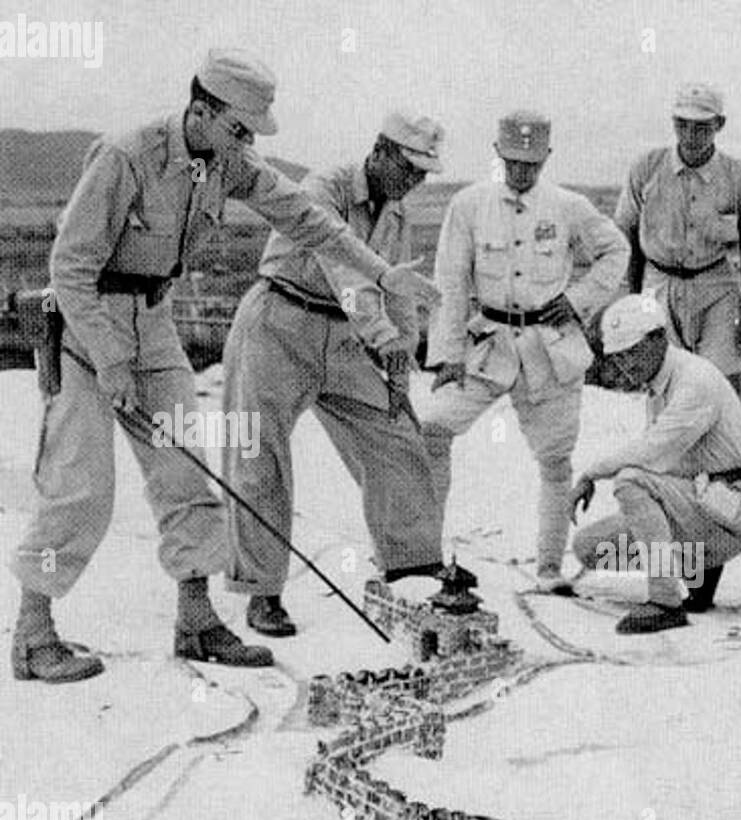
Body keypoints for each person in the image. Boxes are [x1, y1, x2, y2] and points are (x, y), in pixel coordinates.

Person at [8, 49, 438, 683]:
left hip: (154, 326)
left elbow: (307, 218)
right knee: (80, 486)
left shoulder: (225, 163)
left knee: (187, 474)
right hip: (87, 325)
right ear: (200, 110)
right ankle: (33, 632)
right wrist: (110, 362)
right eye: (238, 129)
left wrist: (381, 273)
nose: (245, 145)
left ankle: (197, 622)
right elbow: (69, 267)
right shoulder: (129, 156)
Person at [223, 110, 453, 639]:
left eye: (424, 174)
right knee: (260, 458)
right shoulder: (323, 187)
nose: (415, 182)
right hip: (280, 323)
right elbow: (343, 268)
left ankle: (412, 568)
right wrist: (383, 337)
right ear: (380, 150)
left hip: (347, 340)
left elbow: (400, 291)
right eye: (410, 168)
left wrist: (402, 366)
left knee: (398, 439)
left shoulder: (398, 216)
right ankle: (262, 592)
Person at [420, 110, 628, 595]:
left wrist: (577, 302)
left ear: (547, 158)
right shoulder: (469, 205)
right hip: (487, 345)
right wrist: (447, 353)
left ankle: (550, 569)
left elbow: (616, 252)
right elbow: (450, 281)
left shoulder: (568, 207)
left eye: (531, 163)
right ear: (498, 153)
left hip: (549, 350)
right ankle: (422, 555)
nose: (521, 172)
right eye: (513, 161)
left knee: (556, 461)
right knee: (432, 430)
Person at [569, 294, 741, 633]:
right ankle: (698, 566)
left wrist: (591, 473)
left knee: (631, 481)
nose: (625, 364)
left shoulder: (695, 380)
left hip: (727, 509)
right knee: (590, 549)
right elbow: (664, 458)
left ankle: (665, 600)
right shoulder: (662, 380)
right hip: (702, 500)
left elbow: (651, 452)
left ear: (659, 337)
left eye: (632, 351)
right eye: (619, 357)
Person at [614, 83, 741, 386]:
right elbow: (629, 234)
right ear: (673, 123)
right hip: (658, 286)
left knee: (723, 383)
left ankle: (730, 435)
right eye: (682, 125)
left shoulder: (739, 176)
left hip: (716, 286)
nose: (690, 136)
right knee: (663, 381)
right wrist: (632, 300)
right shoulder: (646, 169)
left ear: (719, 125)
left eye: (701, 127)